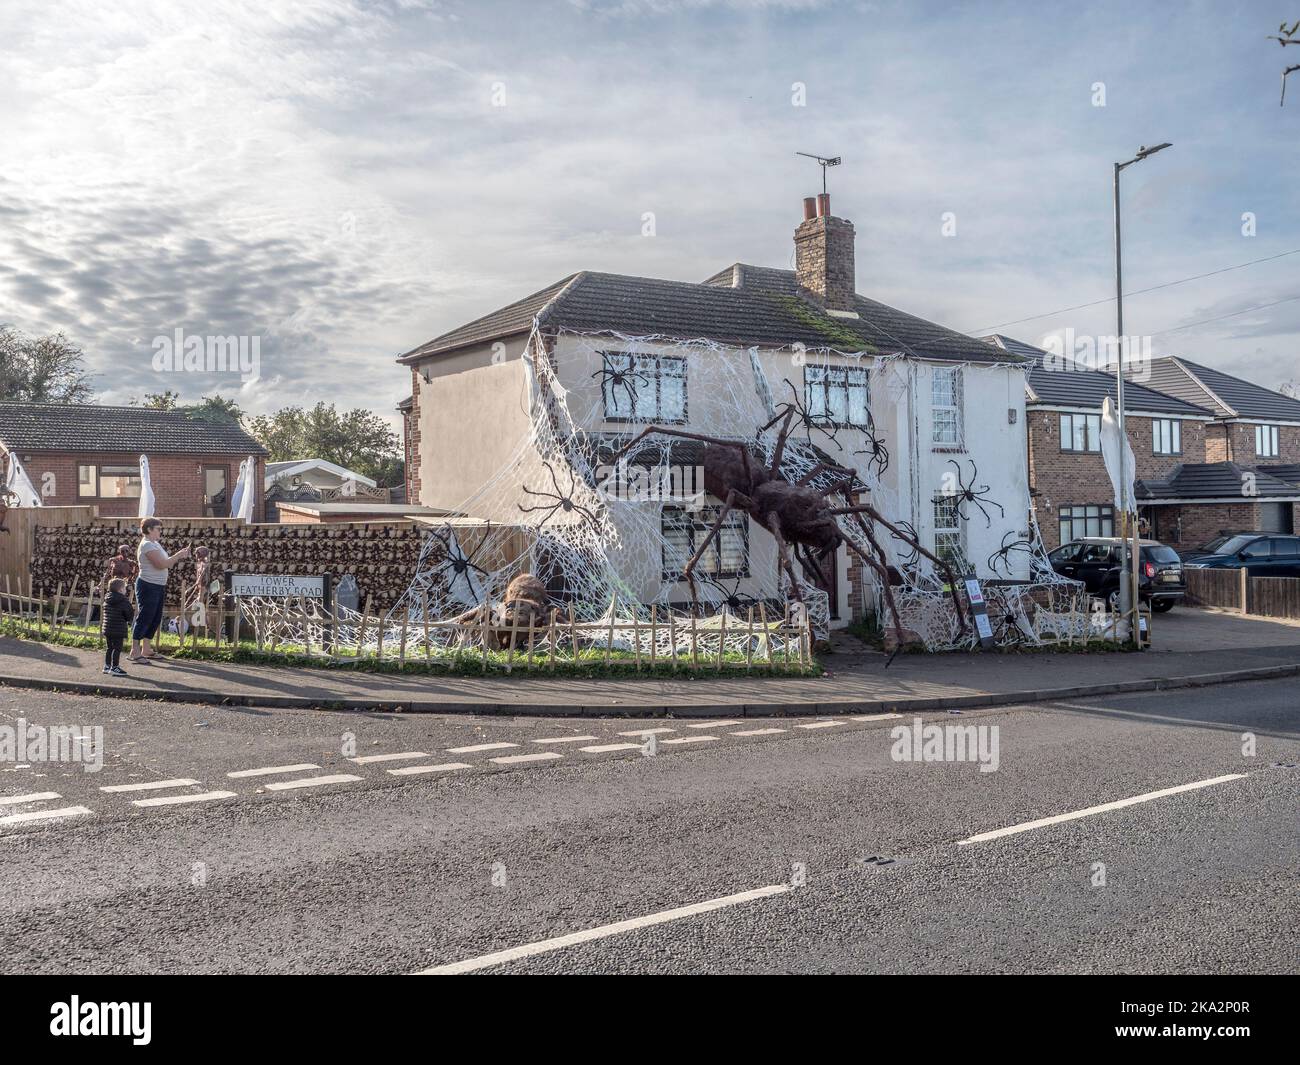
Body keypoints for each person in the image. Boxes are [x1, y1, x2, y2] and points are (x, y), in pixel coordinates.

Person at [131, 516, 190, 663]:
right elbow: (162, 564)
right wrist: (179, 555)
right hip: (148, 585)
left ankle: (146, 649)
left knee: (155, 617)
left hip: (158, 585)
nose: (160, 531)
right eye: (158, 529)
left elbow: (165, 562)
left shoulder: (155, 544)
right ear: (149, 529)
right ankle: (135, 651)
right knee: (145, 617)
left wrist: (178, 555)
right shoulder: (146, 545)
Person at [101, 578, 134, 677]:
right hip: (118, 629)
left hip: (107, 628)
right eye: (124, 588)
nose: (126, 590)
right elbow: (128, 615)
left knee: (109, 648)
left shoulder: (107, 599)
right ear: (120, 590)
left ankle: (107, 666)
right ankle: (115, 667)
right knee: (117, 648)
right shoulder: (124, 601)